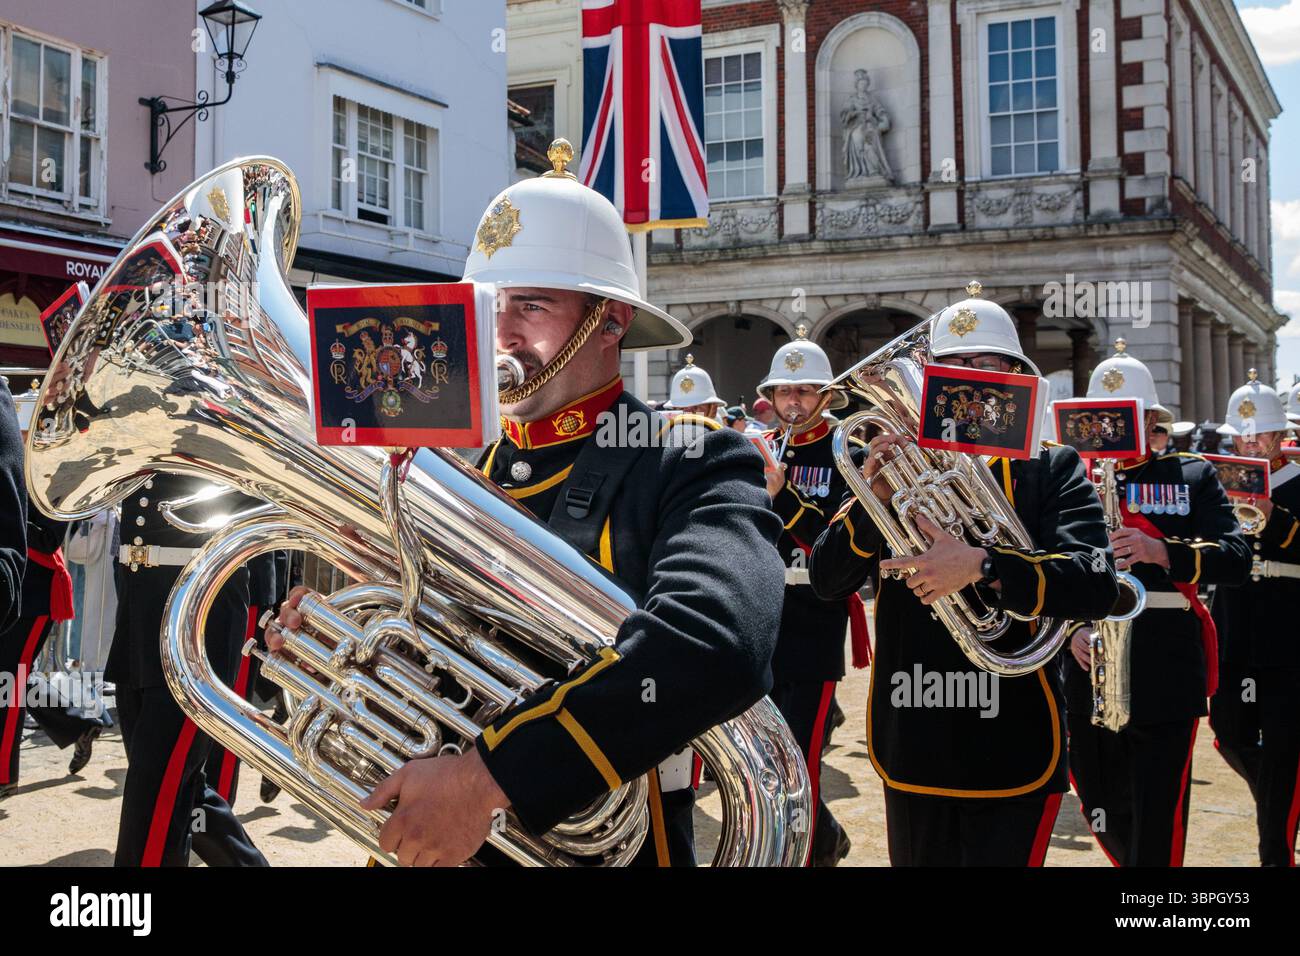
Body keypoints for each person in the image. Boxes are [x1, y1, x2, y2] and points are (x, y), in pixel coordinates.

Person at [268, 139, 786, 867]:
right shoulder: (449, 462)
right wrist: (344, 659)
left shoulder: (687, 455)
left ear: (609, 320)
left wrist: (488, 779)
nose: (502, 331)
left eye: (533, 304)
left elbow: (718, 641)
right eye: (490, 304)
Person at [809, 283, 1119, 866]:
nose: (966, 376)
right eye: (949, 365)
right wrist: (872, 496)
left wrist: (980, 565)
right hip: (913, 731)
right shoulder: (896, 465)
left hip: (1016, 732)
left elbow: (1096, 582)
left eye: (984, 364)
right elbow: (828, 581)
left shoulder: (1052, 466)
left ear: (1015, 375)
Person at [1063, 340, 1250, 867]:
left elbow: (1235, 557)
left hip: (1163, 660)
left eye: (1126, 417)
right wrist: (1069, 628)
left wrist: (1161, 550)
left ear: (1150, 420)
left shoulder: (1191, 475)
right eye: (1100, 417)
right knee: (1098, 793)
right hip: (1089, 659)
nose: (1111, 428)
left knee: (1157, 807)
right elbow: (1045, 561)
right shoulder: (1068, 476)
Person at [754, 324, 863, 866]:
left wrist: (784, 495)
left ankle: (813, 851)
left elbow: (839, 541)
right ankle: (820, 838)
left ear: (827, 396)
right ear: (770, 398)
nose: (792, 402)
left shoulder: (850, 450)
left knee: (802, 751)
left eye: (804, 391)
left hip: (816, 616)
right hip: (761, 613)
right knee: (767, 755)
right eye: (783, 392)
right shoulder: (762, 447)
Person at [1208, 371, 1300, 865]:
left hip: (1287, 629)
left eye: (1259, 432)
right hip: (1235, 620)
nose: (1249, 440)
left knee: (1284, 746)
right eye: (1242, 433)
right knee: (1229, 731)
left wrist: (1274, 514)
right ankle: (1279, 800)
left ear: (1278, 434)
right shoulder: (1216, 484)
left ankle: (1276, 854)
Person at [663, 355, 727, 423]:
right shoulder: (665, 432)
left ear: (712, 408)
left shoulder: (725, 433)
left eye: (696, 407)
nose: (689, 414)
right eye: (682, 408)